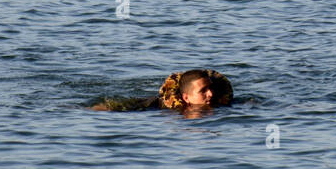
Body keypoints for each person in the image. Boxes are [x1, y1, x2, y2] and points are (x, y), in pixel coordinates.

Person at [90, 69, 233, 112]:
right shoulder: (157, 107)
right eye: (203, 91)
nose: (211, 94)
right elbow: (114, 108)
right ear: (186, 98)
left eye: (210, 88)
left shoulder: (221, 102)